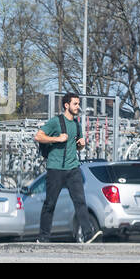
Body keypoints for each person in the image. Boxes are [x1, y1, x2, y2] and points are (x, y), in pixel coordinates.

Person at [34, 92, 99, 242]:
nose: (78, 107)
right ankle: (43, 237)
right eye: (75, 104)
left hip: (73, 168)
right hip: (55, 168)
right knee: (50, 203)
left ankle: (88, 234)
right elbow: (38, 136)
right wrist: (57, 138)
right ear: (66, 105)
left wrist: (81, 145)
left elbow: (77, 147)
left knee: (80, 202)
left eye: (78, 104)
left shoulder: (77, 124)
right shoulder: (56, 122)